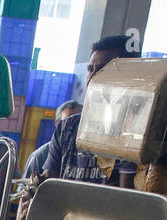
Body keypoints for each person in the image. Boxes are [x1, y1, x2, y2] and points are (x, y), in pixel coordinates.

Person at [44, 35, 140, 186]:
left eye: (102, 70)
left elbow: (126, 198)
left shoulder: (133, 133)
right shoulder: (67, 127)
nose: (92, 77)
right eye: (90, 69)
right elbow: (48, 184)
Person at [16, 99, 81, 220]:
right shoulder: (40, 156)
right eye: (69, 122)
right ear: (58, 125)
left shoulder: (84, 156)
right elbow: (24, 198)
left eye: (78, 122)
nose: (74, 128)